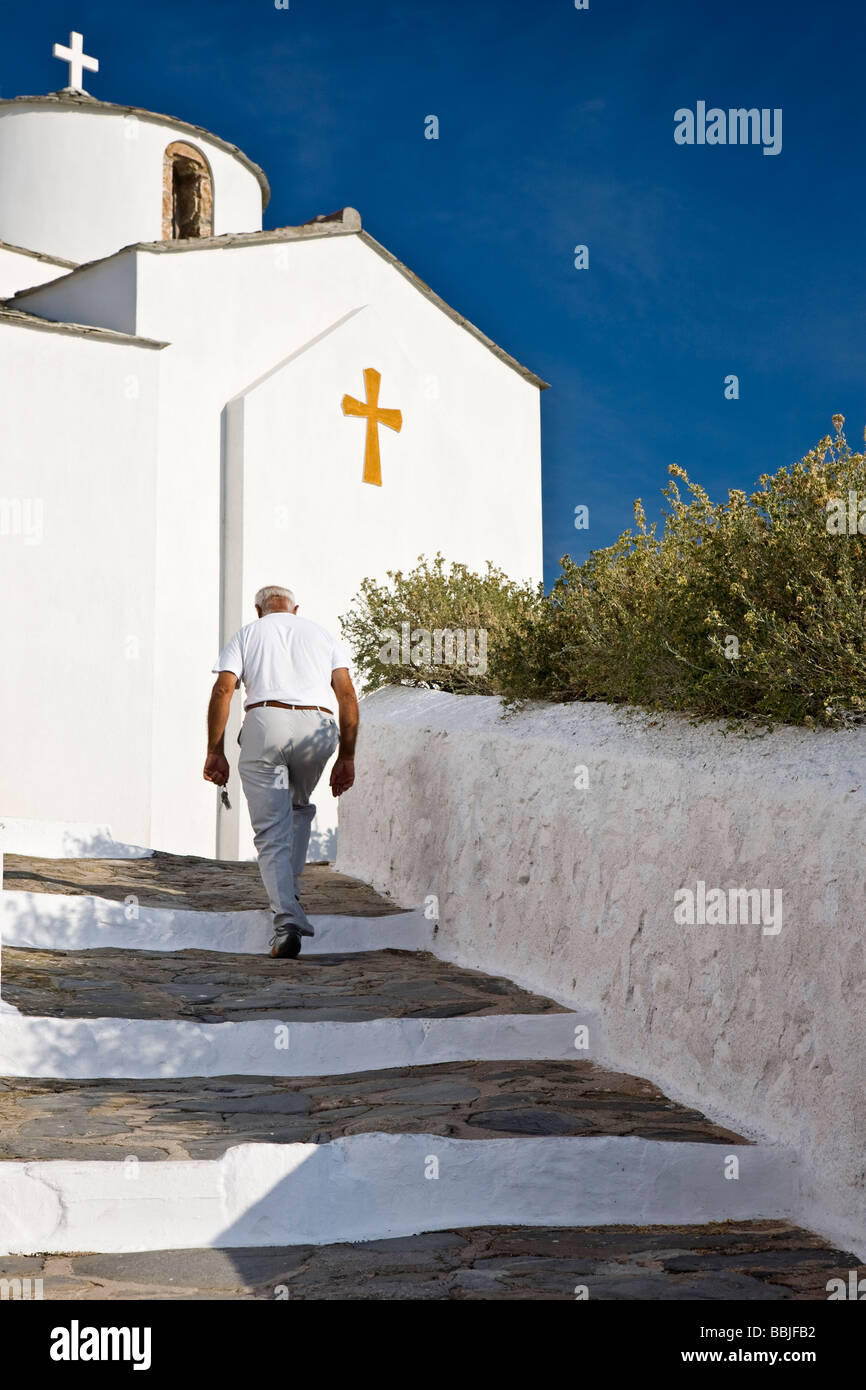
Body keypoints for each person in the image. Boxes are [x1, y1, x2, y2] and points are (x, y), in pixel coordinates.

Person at [203, 584, 358, 958]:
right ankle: (290, 891)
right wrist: (347, 757)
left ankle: (287, 922)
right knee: (298, 805)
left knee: (272, 828)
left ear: (259, 610)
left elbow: (224, 691)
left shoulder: (248, 633)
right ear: (295, 609)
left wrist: (214, 751)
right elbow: (348, 696)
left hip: (267, 726)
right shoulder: (322, 635)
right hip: (317, 730)